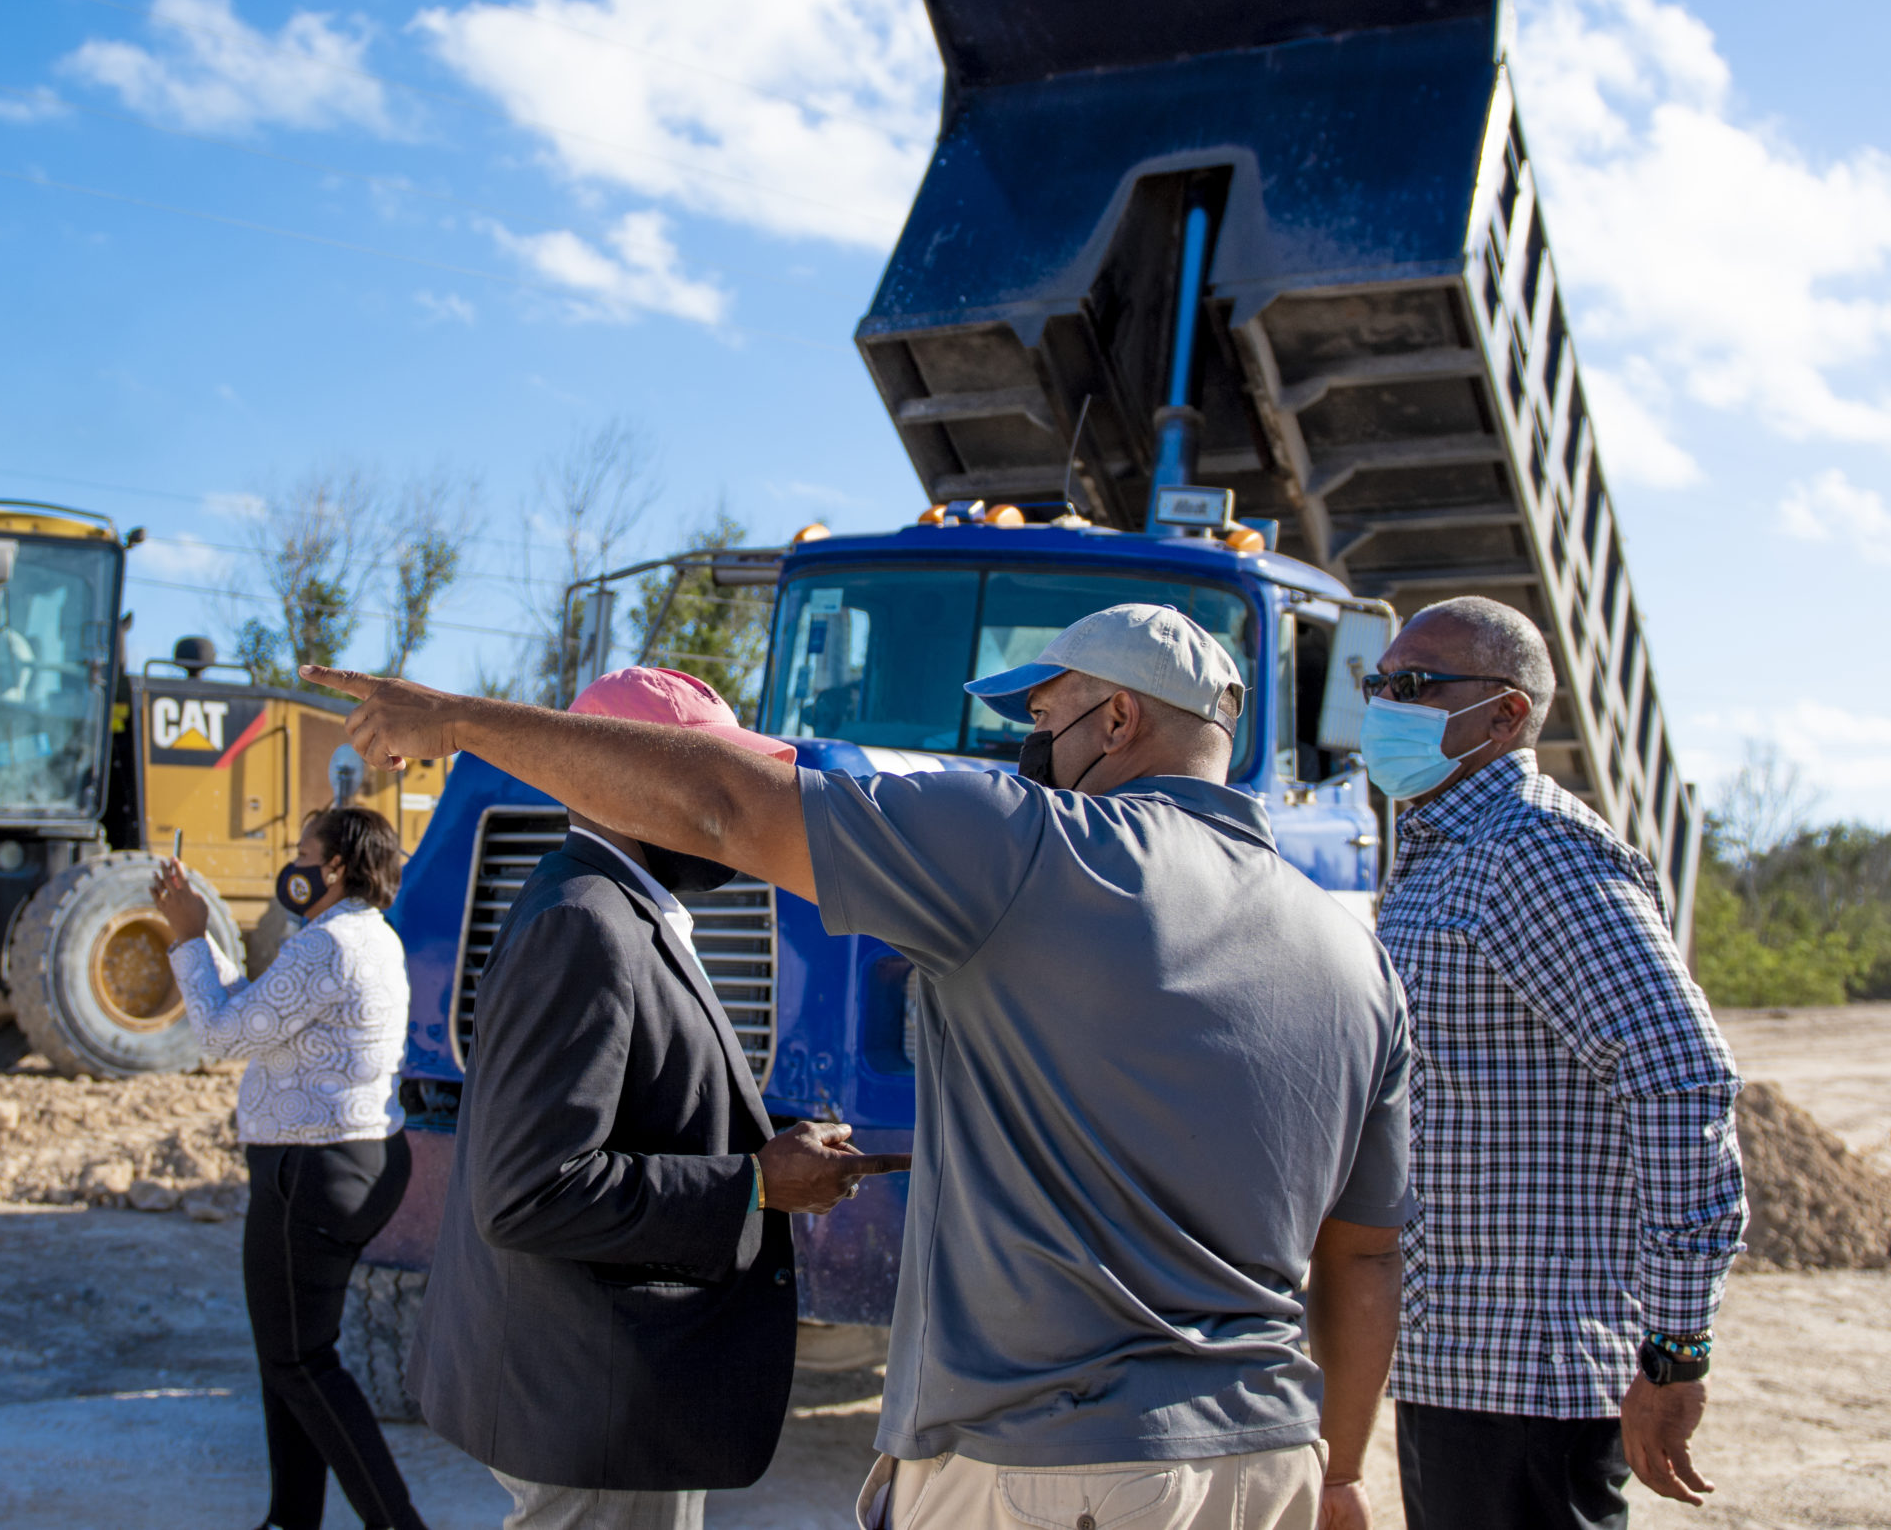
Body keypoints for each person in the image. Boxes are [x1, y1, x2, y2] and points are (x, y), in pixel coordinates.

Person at [308, 603, 1414, 1530]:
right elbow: (1363, 1256)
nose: (1027, 747)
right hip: (1272, 1458)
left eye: (1042, 717)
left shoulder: (1033, 849)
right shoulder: (1354, 957)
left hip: (1048, 1464)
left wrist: (457, 719)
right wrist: (1344, 1469)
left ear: (1117, 718)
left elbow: (721, 804)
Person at [405, 667, 905, 1530]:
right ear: (629, 781)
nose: (732, 804)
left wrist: (762, 1149)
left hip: (611, 1395)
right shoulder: (583, 923)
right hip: (594, 1406)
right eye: (712, 776)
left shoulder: (619, 909)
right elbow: (530, 1191)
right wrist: (756, 1182)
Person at [1361, 597, 1745, 1528]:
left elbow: (1680, 1073)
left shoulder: (1537, 852)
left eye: (1414, 685)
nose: (1385, 705)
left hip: (1530, 1370)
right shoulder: (1442, 852)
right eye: (1378, 683)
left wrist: (1677, 1345)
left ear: (1506, 714)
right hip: (1456, 1354)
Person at [153, 807, 430, 1530]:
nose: (293, 862)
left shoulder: (325, 946)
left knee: (300, 1361)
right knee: (291, 1354)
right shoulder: (369, 936)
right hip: (353, 1163)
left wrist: (188, 937)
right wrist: (201, 933)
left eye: (303, 851)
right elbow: (254, 1013)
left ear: (334, 866)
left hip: (312, 1171)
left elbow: (221, 1033)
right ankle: (290, 1519)